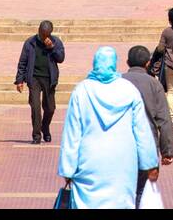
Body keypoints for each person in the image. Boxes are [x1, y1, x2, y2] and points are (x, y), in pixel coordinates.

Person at [58, 46, 159, 209]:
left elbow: (72, 133)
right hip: (123, 163)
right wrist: (150, 163)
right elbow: (142, 131)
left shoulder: (82, 91)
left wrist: (67, 168)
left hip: (88, 162)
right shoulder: (129, 90)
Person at [123, 46, 173, 205]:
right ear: (147, 63)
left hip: (121, 145)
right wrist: (167, 150)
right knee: (142, 191)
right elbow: (164, 119)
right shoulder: (154, 84)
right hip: (147, 145)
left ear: (127, 62)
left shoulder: (118, 82)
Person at [14, 19, 65, 144]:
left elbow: (61, 58)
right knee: (35, 107)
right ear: (38, 31)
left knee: (50, 108)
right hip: (34, 78)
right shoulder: (30, 43)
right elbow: (23, 62)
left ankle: (45, 127)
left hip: (49, 79)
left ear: (50, 33)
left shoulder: (56, 42)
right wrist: (19, 80)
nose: (43, 37)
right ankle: (36, 136)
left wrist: (52, 48)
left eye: (46, 35)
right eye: (42, 34)